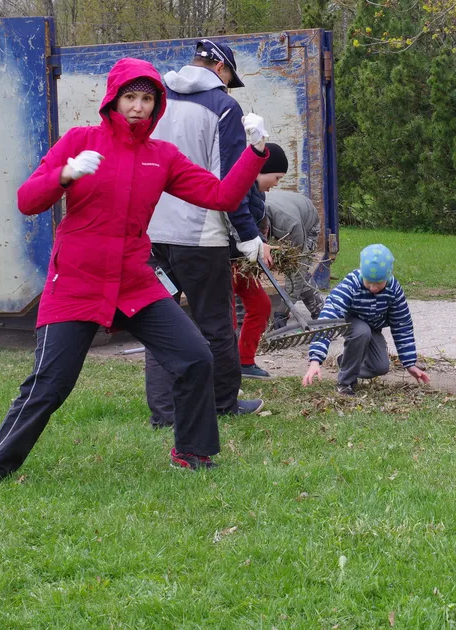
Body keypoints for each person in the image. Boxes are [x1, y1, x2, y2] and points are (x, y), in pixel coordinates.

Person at [0, 58, 273, 484]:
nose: (138, 106)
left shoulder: (162, 156)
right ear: (113, 99)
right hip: (77, 282)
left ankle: (192, 452)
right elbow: (27, 200)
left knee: (194, 357)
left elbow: (222, 195)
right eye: (130, 97)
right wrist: (65, 174)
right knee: (50, 383)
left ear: (157, 105)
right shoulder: (80, 140)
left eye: (147, 98)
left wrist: (255, 152)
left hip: (134, 282)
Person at [145, 39, 270, 426]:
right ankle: (222, 403)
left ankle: (164, 414)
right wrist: (248, 235)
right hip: (201, 238)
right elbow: (230, 180)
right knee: (216, 324)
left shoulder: (156, 100)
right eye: (230, 78)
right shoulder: (223, 107)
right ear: (221, 70)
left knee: (159, 323)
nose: (229, 86)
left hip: (153, 235)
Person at [301, 245, 430, 396]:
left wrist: (409, 363)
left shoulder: (394, 289)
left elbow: (402, 326)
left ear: (388, 276)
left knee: (380, 367)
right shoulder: (352, 284)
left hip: (372, 327)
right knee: (362, 331)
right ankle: (345, 383)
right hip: (349, 321)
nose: (373, 288)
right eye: (369, 282)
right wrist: (316, 359)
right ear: (362, 273)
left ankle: (346, 362)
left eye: (379, 283)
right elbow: (328, 318)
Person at [229, 143, 288, 380]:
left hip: (242, 262)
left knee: (261, 306)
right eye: (276, 177)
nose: (276, 184)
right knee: (227, 316)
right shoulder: (241, 186)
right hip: (226, 259)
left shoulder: (257, 193)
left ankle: (244, 362)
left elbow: (255, 224)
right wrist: (254, 243)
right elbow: (234, 221)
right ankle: (224, 366)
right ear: (261, 170)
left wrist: (263, 243)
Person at [264, 189, 325, 329]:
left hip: (307, 223)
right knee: (299, 276)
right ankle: (321, 312)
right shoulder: (251, 213)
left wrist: (282, 312)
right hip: (285, 211)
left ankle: (322, 313)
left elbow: (297, 271)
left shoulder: (291, 225)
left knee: (298, 272)